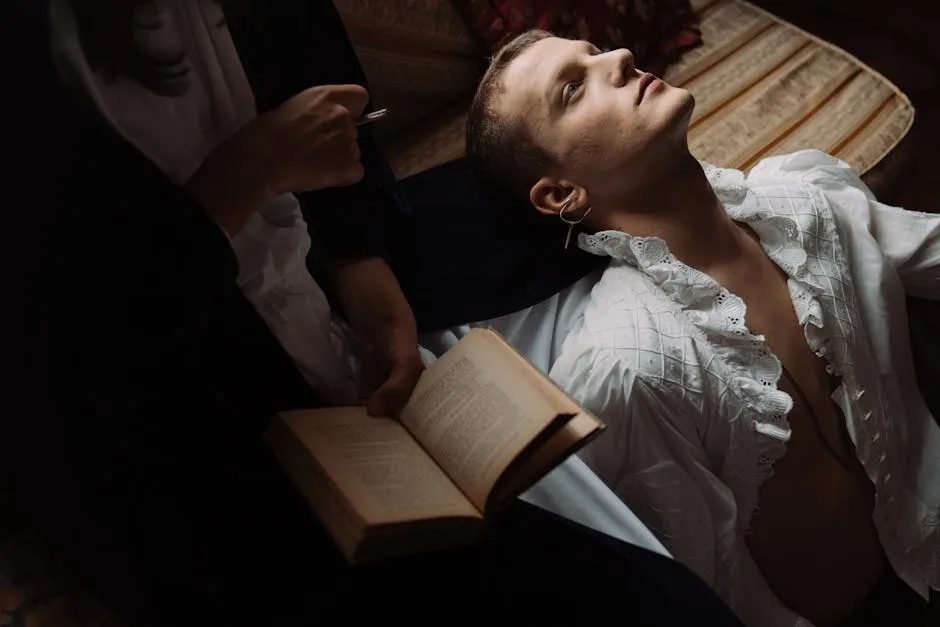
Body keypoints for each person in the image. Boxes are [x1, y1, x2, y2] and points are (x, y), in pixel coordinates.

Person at [3, 3, 747, 626]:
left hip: (310, 258)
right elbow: (78, 340)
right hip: (168, 376)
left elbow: (331, 105)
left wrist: (362, 265)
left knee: (561, 176)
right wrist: (240, 180)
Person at [465, 29, 939, 627]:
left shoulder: (801, 200)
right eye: (572, 88)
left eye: (596, 52)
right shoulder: (629, 367)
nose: (619, 58)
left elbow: (928, 251)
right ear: (561, 192)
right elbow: (692, 588)